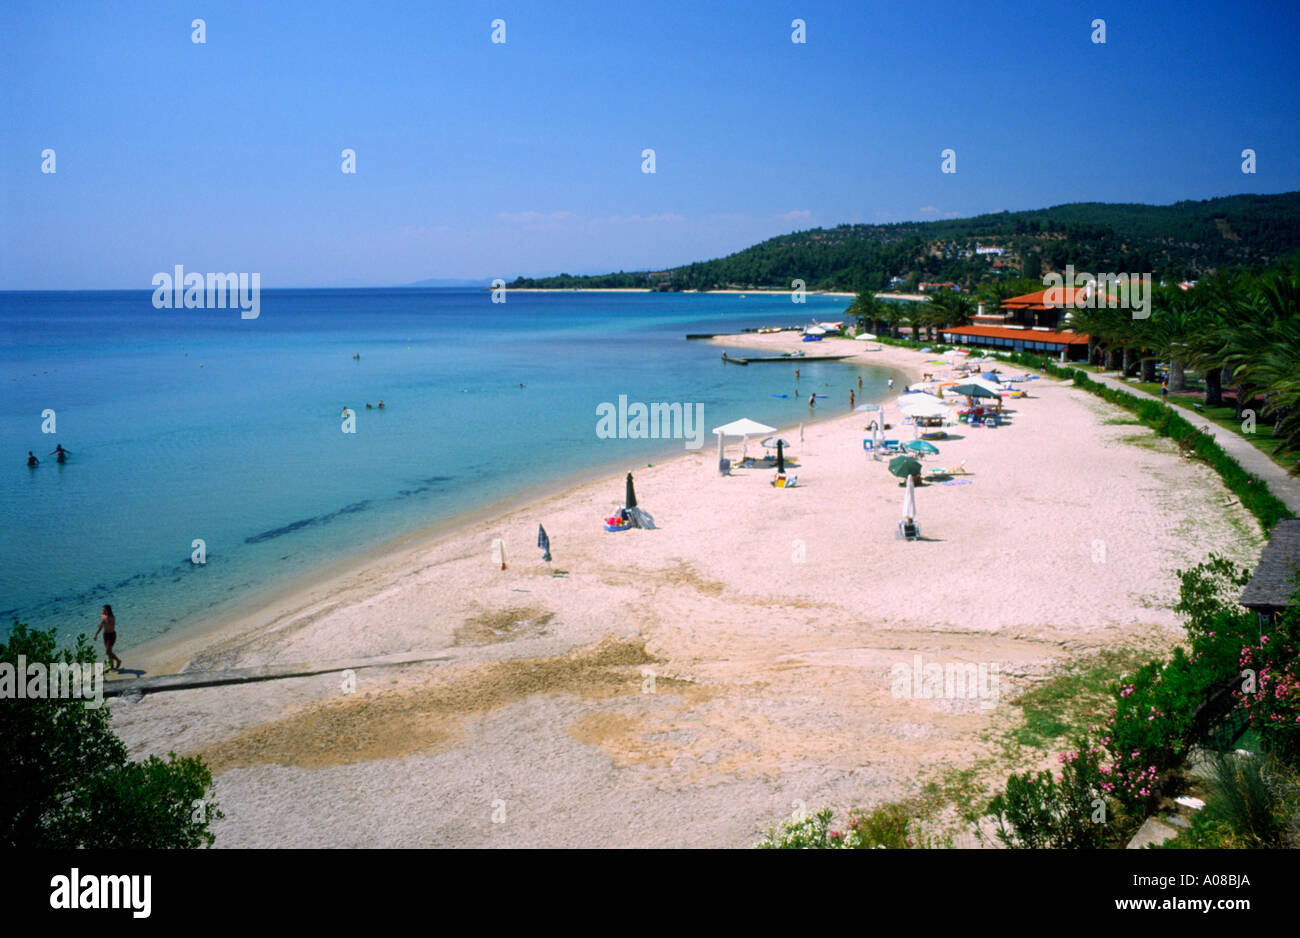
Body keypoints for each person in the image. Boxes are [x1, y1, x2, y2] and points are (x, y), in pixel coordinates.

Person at [94, 604, 122, 671]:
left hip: (111, 635)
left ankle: (118, 660)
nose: (102, 610)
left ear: (107, 610)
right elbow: (101, 626)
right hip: (105, 635)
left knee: (108, 652)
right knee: (109, 652)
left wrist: (106, 620)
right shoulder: (102, 616)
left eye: (104, 609)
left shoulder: (112, 617)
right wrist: (96, 634)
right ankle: (112, 666)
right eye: (102, 609)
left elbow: (111, 624)